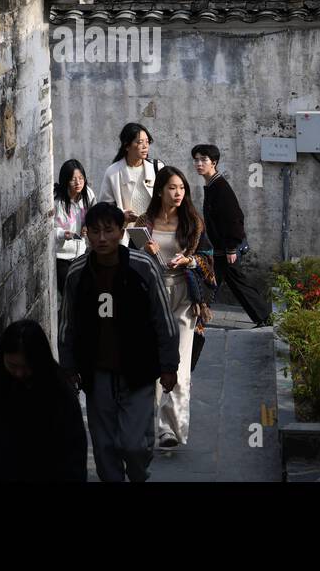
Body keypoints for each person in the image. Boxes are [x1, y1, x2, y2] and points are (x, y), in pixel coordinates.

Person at [59, 202, 179, 482]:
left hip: (137, 370)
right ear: (86, 234)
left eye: (109, 231)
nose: (102, 239)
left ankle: (139, 475)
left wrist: (169, 365)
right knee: (104, 447)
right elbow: (67, 324)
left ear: (121, 232)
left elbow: (164, 319)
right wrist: (68, 366)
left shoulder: (143, 267)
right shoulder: (78, 274)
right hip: (96, 372)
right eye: (95, 232)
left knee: (134, 444)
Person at [0, 319, 88, 482]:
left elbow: (74, 452)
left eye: (26, 367)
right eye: (12, 365)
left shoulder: (60, 391)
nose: (19, 373)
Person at [138, 166, 208, 447]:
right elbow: (132, 260)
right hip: (153, 296)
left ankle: (170, 428)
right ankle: (153, 420)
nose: (178, 193)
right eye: (172, 188)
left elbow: (207, 256)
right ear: (159, 191)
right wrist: (147, 251)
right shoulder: (145, 223)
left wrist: (189, 261)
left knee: (178, 365)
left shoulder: (193, 221)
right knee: (154, 360)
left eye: (182, 188)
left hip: (184, 295)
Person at [192, 144, 271, 327]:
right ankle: (200, 314)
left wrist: (231, 248)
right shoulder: (211, 185)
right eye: (196, 160)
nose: (199, 163)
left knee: (229, 282)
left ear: (214, 163)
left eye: (204, 160)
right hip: (220, 249)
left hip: (227, 249)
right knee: (214, 281)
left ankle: (265, 316)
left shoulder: (220, 187)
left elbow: (234, 218)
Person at [98, 123, 164, 226]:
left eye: (147, 142)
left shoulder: (157, 168)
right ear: (127, 145)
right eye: (140, 142)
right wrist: (121, 215)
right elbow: (104, 208)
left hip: (156, 232)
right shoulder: (113, 172)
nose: (145, 146)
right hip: (125, 236)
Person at [53, 159, 95, 296]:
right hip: (61, 257)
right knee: (69, 293)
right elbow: (46, 231)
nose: (78, 183)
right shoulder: (56, 201)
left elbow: (95, 216)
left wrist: (88, 225)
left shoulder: (88, 194)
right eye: (73, 179)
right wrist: (61, 234)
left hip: (81, 253)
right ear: (65, 180)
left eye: (81, 178)